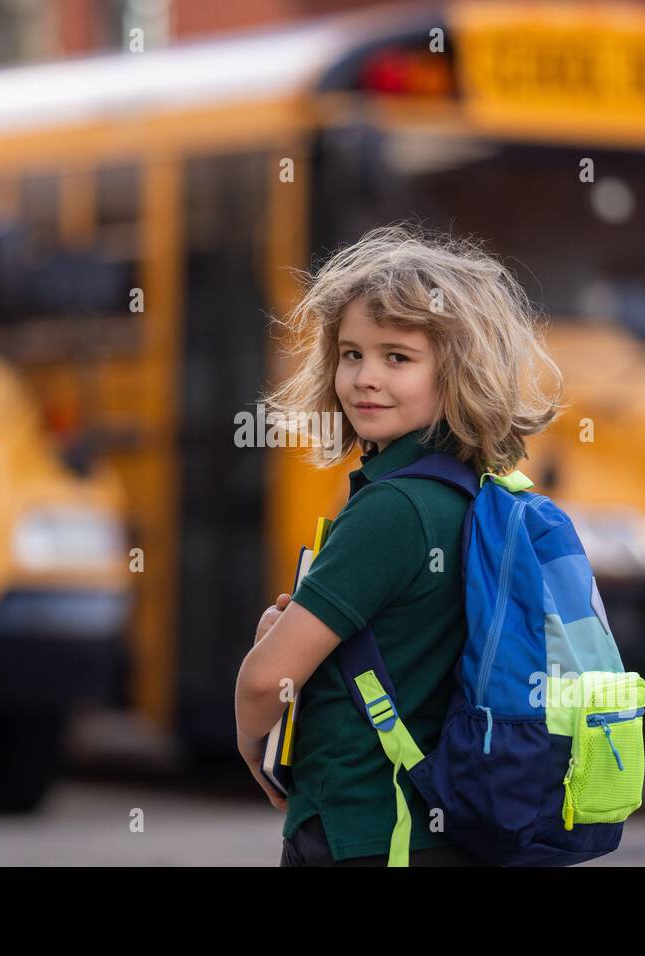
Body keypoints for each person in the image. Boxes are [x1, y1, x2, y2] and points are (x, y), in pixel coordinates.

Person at [233, 222, 564, 866]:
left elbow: (266, 680)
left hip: (361, 827)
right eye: (351, 354)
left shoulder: (392, 510)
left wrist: (255, 745)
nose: (365, 378)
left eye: (398, 357)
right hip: (441, 827)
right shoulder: (474, 494)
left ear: (457, 372)